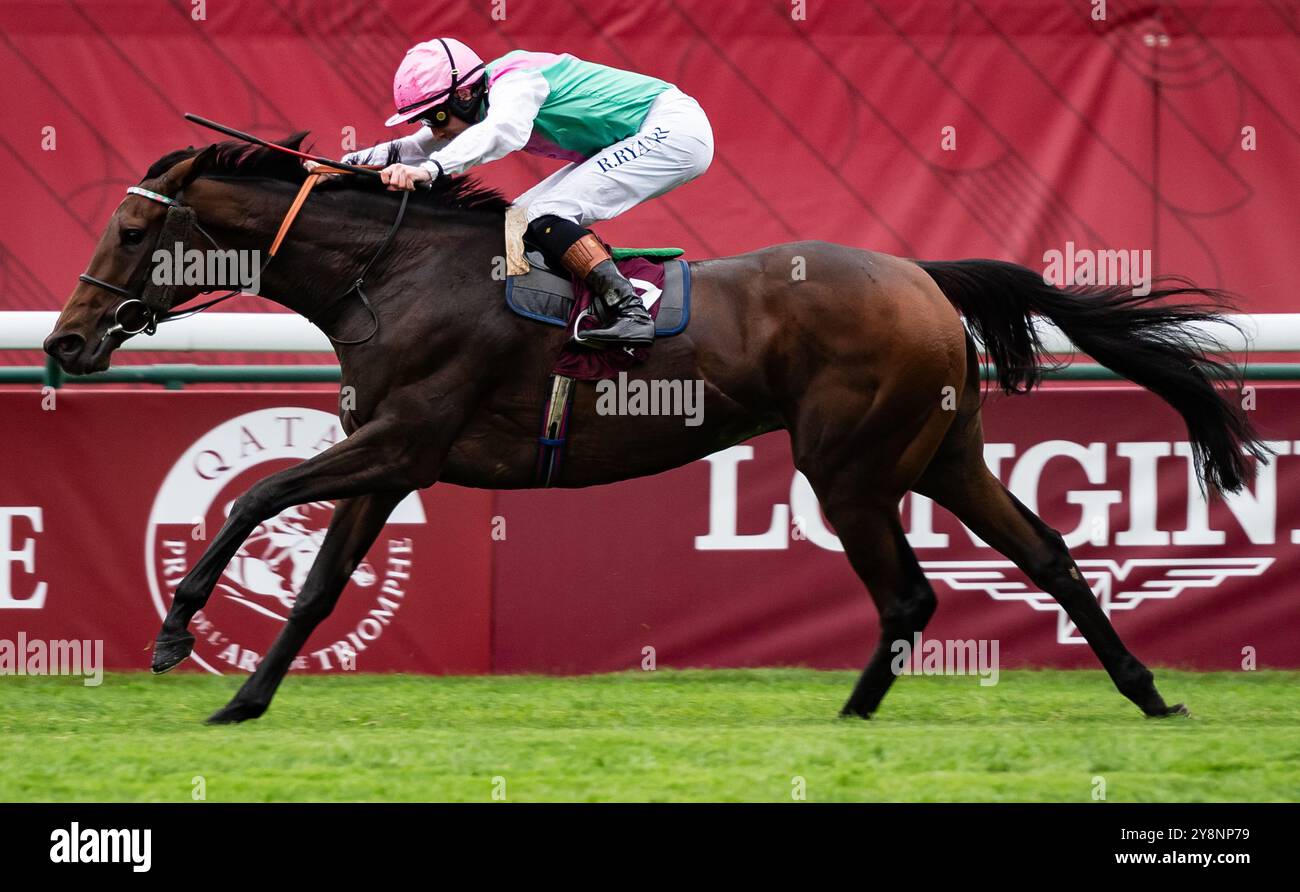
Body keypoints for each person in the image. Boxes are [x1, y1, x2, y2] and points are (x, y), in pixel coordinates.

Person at [310, 38, 714, 349]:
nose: (434, 130)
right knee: (517, 222)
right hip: (643, 133)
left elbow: (504, 132)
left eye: (435, 116)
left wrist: (431, 171)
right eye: (425, 119)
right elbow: (415, 147)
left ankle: (629, 311)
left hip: (672, 130)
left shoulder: (515, 81)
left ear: (465, 94)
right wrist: (343, 164)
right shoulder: (477, 101)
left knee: (547, 213)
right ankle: (576, 307)